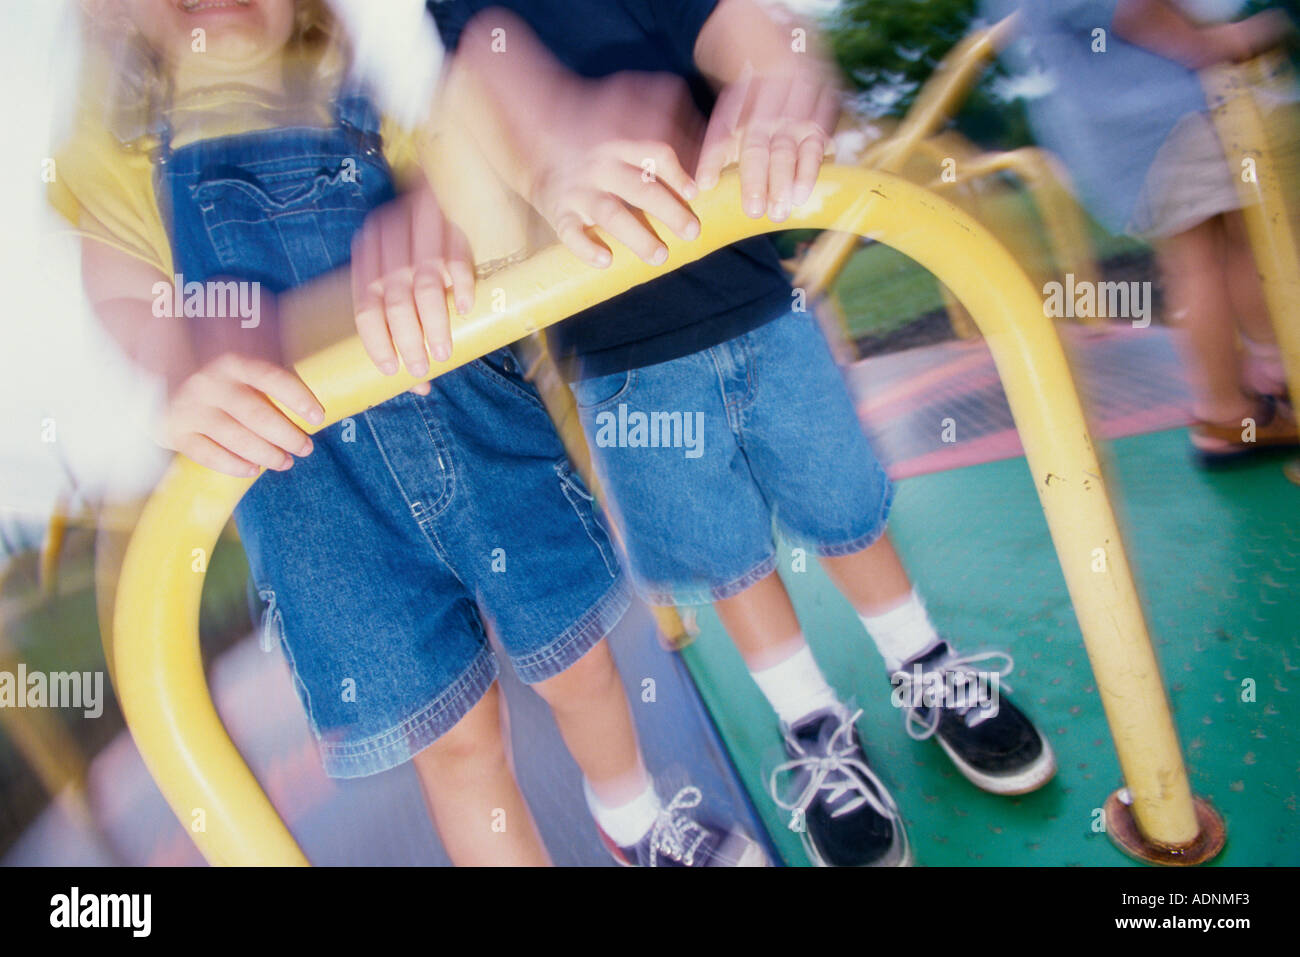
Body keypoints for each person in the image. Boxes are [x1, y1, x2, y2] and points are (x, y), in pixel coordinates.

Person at [51, 0, 762, 867]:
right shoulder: (121, 144)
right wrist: (180, 355)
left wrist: (432, 219)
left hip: (466, 417)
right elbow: (122, 281)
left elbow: (455, 184)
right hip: (315, 493)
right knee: (456, 740)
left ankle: (636, 817)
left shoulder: (359, 92)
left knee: (577, 660)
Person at [426, 0, 1056, 867]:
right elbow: (496, 62)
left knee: (843, 507)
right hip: (622, 356)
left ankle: (922, 656)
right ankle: (812, 720)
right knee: (728, 557)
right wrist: (559, 141)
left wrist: (783, 73)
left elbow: (746, 27)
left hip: (755, 300)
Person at [989, 0, 1298, 463]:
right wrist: (1211, 43)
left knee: (1211, 252)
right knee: (1214, 253)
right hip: (1162, 114)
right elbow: (1128, 6)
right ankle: (1233, 408)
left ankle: (1253, 384)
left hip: (1120, 124)